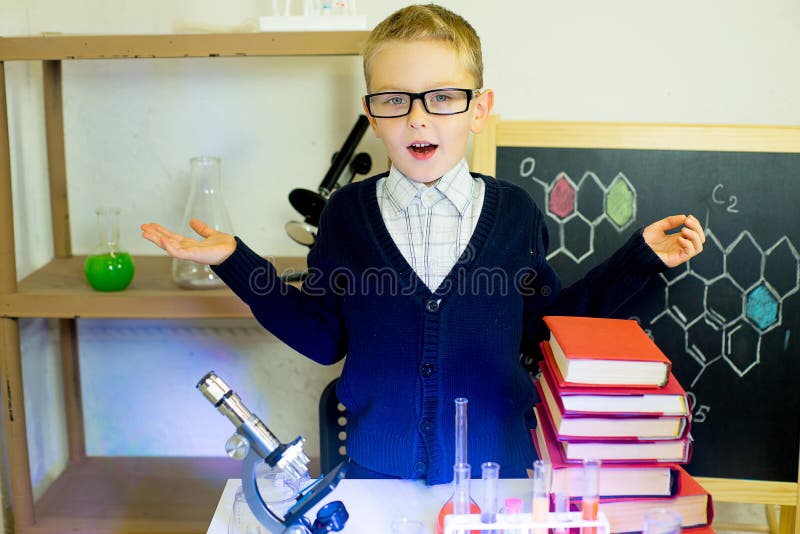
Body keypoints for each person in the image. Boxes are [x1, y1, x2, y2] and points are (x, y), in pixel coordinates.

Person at [141, 4, 705, 485]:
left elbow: (546, 330)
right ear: (371, 114)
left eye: (441, 98)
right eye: (394, 100)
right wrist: (234, 262)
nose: (416, 118)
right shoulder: (346, 216)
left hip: (498, 475)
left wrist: (641, 261)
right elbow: (322, 336)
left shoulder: (516, 214)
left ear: (478, 110)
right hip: (375, 473)